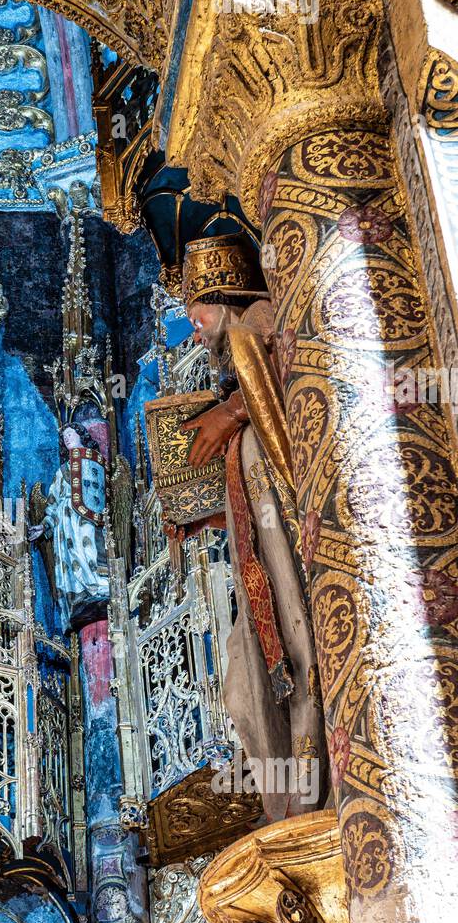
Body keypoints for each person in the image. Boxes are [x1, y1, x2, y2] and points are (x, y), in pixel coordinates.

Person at [168, 234, 328, 821]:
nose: (194, 327)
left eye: (196, 310)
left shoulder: (257, 326)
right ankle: (290, 800)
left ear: (221, 292)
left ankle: (311, 796)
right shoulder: (239, 370)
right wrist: (202, 518)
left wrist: (232, 412)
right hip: (261, 551)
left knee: (301, 655)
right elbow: (253, 483)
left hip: (289, 554)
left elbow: (291, 393)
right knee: (242, 686)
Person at [29, 422, 111, 629]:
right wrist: (44, 526)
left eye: (70, 433)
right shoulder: (61, 471)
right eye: (64, 436)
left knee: (89, 549)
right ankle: (79, 595)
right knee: (71, 556)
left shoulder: (94, 462)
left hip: (86, 518)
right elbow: (53, 505)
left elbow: (99, 496)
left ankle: (98, 587)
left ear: (81, 435)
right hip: (64, 522)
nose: (67, 438)